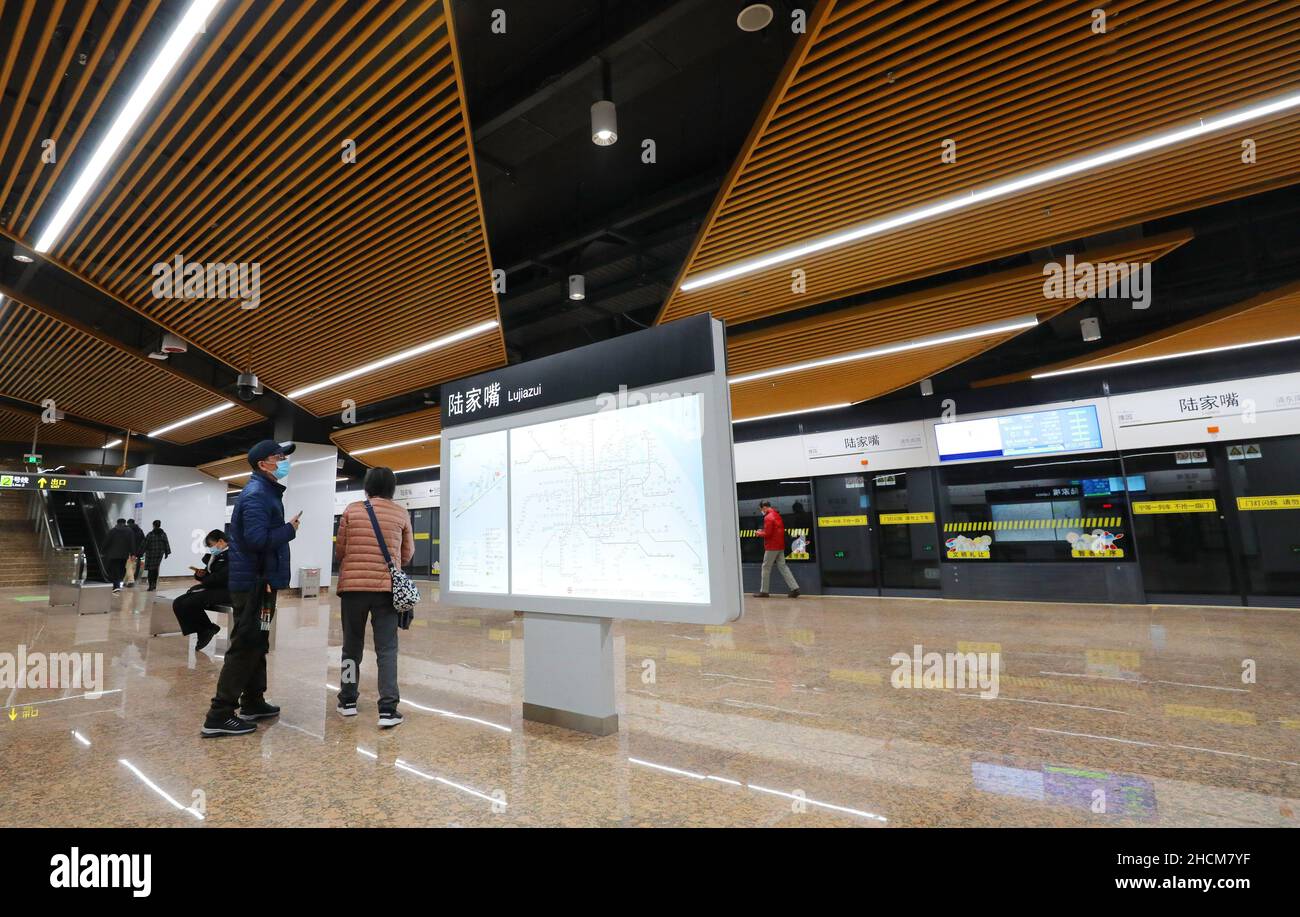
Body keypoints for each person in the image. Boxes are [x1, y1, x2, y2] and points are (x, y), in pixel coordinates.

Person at [201, 440, 300, 737]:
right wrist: (289, 530)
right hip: (256, 584)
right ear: (262, 464)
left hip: (263, 583)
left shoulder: (267, 492)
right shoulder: (257, 495)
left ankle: (253, 700)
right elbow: (257, 539)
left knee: (258, 640)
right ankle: (219, 714)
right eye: (278, 457)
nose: (284, 461)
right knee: (246, 644)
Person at [334, 466, 414, 728]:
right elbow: (407, 554)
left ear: (367, 487)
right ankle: (388, 709)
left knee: (351, 646)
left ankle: (347, 701)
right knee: (387, 650)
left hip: (353, 589)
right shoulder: (401, 513)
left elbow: (341, 549)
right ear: (392, 488)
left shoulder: (352, 509)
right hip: (386, 590)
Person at [173, 529, 231, 651]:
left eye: (211, 545)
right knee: (178, 602)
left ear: (221, 541)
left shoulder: (232, 555)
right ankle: (205, 629)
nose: (211, 549)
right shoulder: (216, 556)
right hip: (213, 587)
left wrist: (204, 578)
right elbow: (210, 574)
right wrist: (200, 575)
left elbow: (221, 578)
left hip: (226, 591)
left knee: (190, 601)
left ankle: (206, 630)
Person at [754, 500, 800, 599]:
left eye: (761, 509)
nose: (761, 511)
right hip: (780, 545)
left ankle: (764, 592)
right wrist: (764, 531)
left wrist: (758, 533)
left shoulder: (768, 517)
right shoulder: (776, 515)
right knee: (783, 567)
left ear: (764, 507)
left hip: (771, 546)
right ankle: (795, 588)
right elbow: (773, 531)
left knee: (765, 567)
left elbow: (768, 533)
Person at [101, 518, 135, 593]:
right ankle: (118, 584)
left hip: (113, 555)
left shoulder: (113, 531)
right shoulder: (129, 531)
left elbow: (107, 542)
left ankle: (116, 585)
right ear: (125, 523)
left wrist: (102, 551)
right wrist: (133, 553)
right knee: (122, 569)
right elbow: (132, 543)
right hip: (124, 554)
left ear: (117, 523)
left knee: (114, 569)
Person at [139, 520, 171, 591]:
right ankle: (154, 584)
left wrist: (140, 552)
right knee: (155, 569)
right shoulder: (163, 534)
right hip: (159, 554)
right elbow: (166, 543)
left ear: (153, 525)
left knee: (151, 570)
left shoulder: (150, 534)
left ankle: (151, 585)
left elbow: (145, 544)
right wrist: (166, 553)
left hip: (151, 554)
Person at [126, 519, 146, 586]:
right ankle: (137, 578)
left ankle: (131, 580)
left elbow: (129, 542)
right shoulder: (140, 530)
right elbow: (144, 541)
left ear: (128, 523)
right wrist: (143, 550)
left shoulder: (129, 531)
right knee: (139, 565)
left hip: (132, 552)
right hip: (140, 552)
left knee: (130, 566)